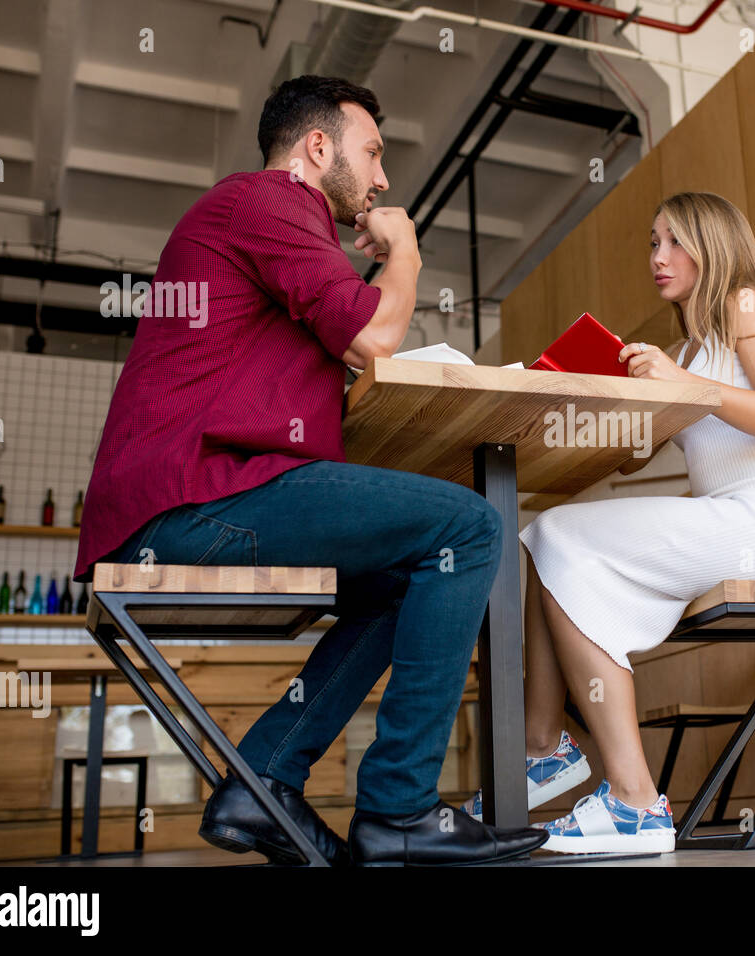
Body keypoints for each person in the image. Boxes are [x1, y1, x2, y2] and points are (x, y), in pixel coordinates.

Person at [73, 75, 546, 867]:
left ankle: (262, 781)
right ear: (317, 147)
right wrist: (407, 250)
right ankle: (399, 810)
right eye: (373, 153)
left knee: (408, 575)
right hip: (193, 499)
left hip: (199, 499)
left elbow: (349, 337)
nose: (383, 178)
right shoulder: (272, 199)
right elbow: (377, 340)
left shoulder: (267, 226)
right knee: (469, 525)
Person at [462, 191, 755, 853]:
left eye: (674, 242)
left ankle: (624, 794)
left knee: (556, 533)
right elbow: (636, 459)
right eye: (652, 243)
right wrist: (617, 396)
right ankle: (547, 750)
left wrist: (685, 388)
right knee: (547, 534)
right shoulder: (686, 352)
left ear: (710, 246)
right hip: (732, 520)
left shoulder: (742, 306)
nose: (658, 258)